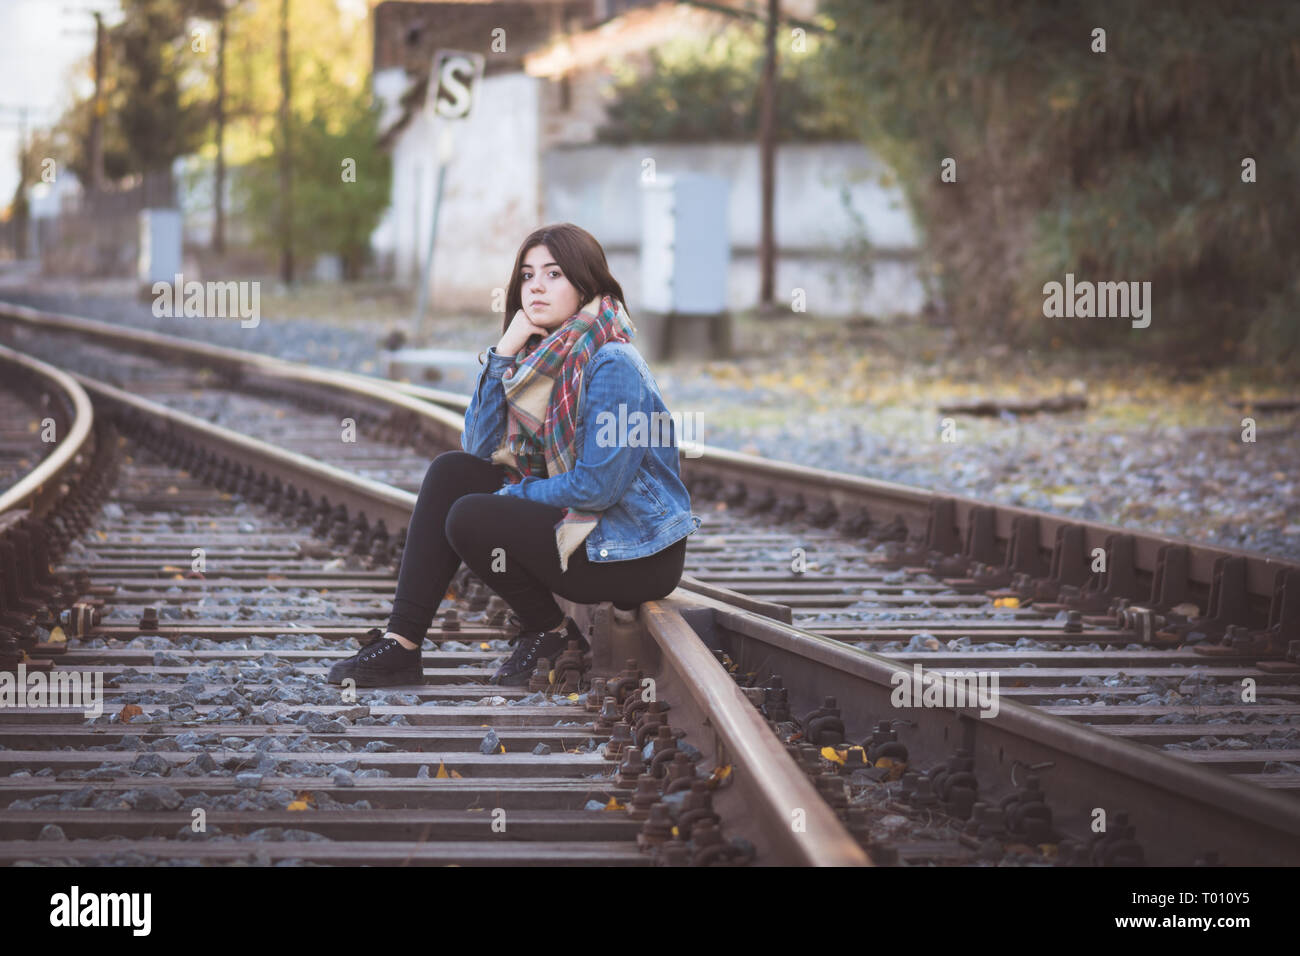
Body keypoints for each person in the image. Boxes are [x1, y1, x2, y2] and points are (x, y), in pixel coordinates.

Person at [329, 222, 702, 688]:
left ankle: (548, 633)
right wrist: (502, 354)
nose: (536, 287)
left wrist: (514, 493)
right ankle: (403, 644)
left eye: (554, 274)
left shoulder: (613, 363)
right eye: (527, 276)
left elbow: (597, 487)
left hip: (631, 551)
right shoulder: (537, 358)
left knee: (472, 516)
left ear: (587, 284)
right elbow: (479, 449)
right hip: (584, 530)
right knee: (451, 474)